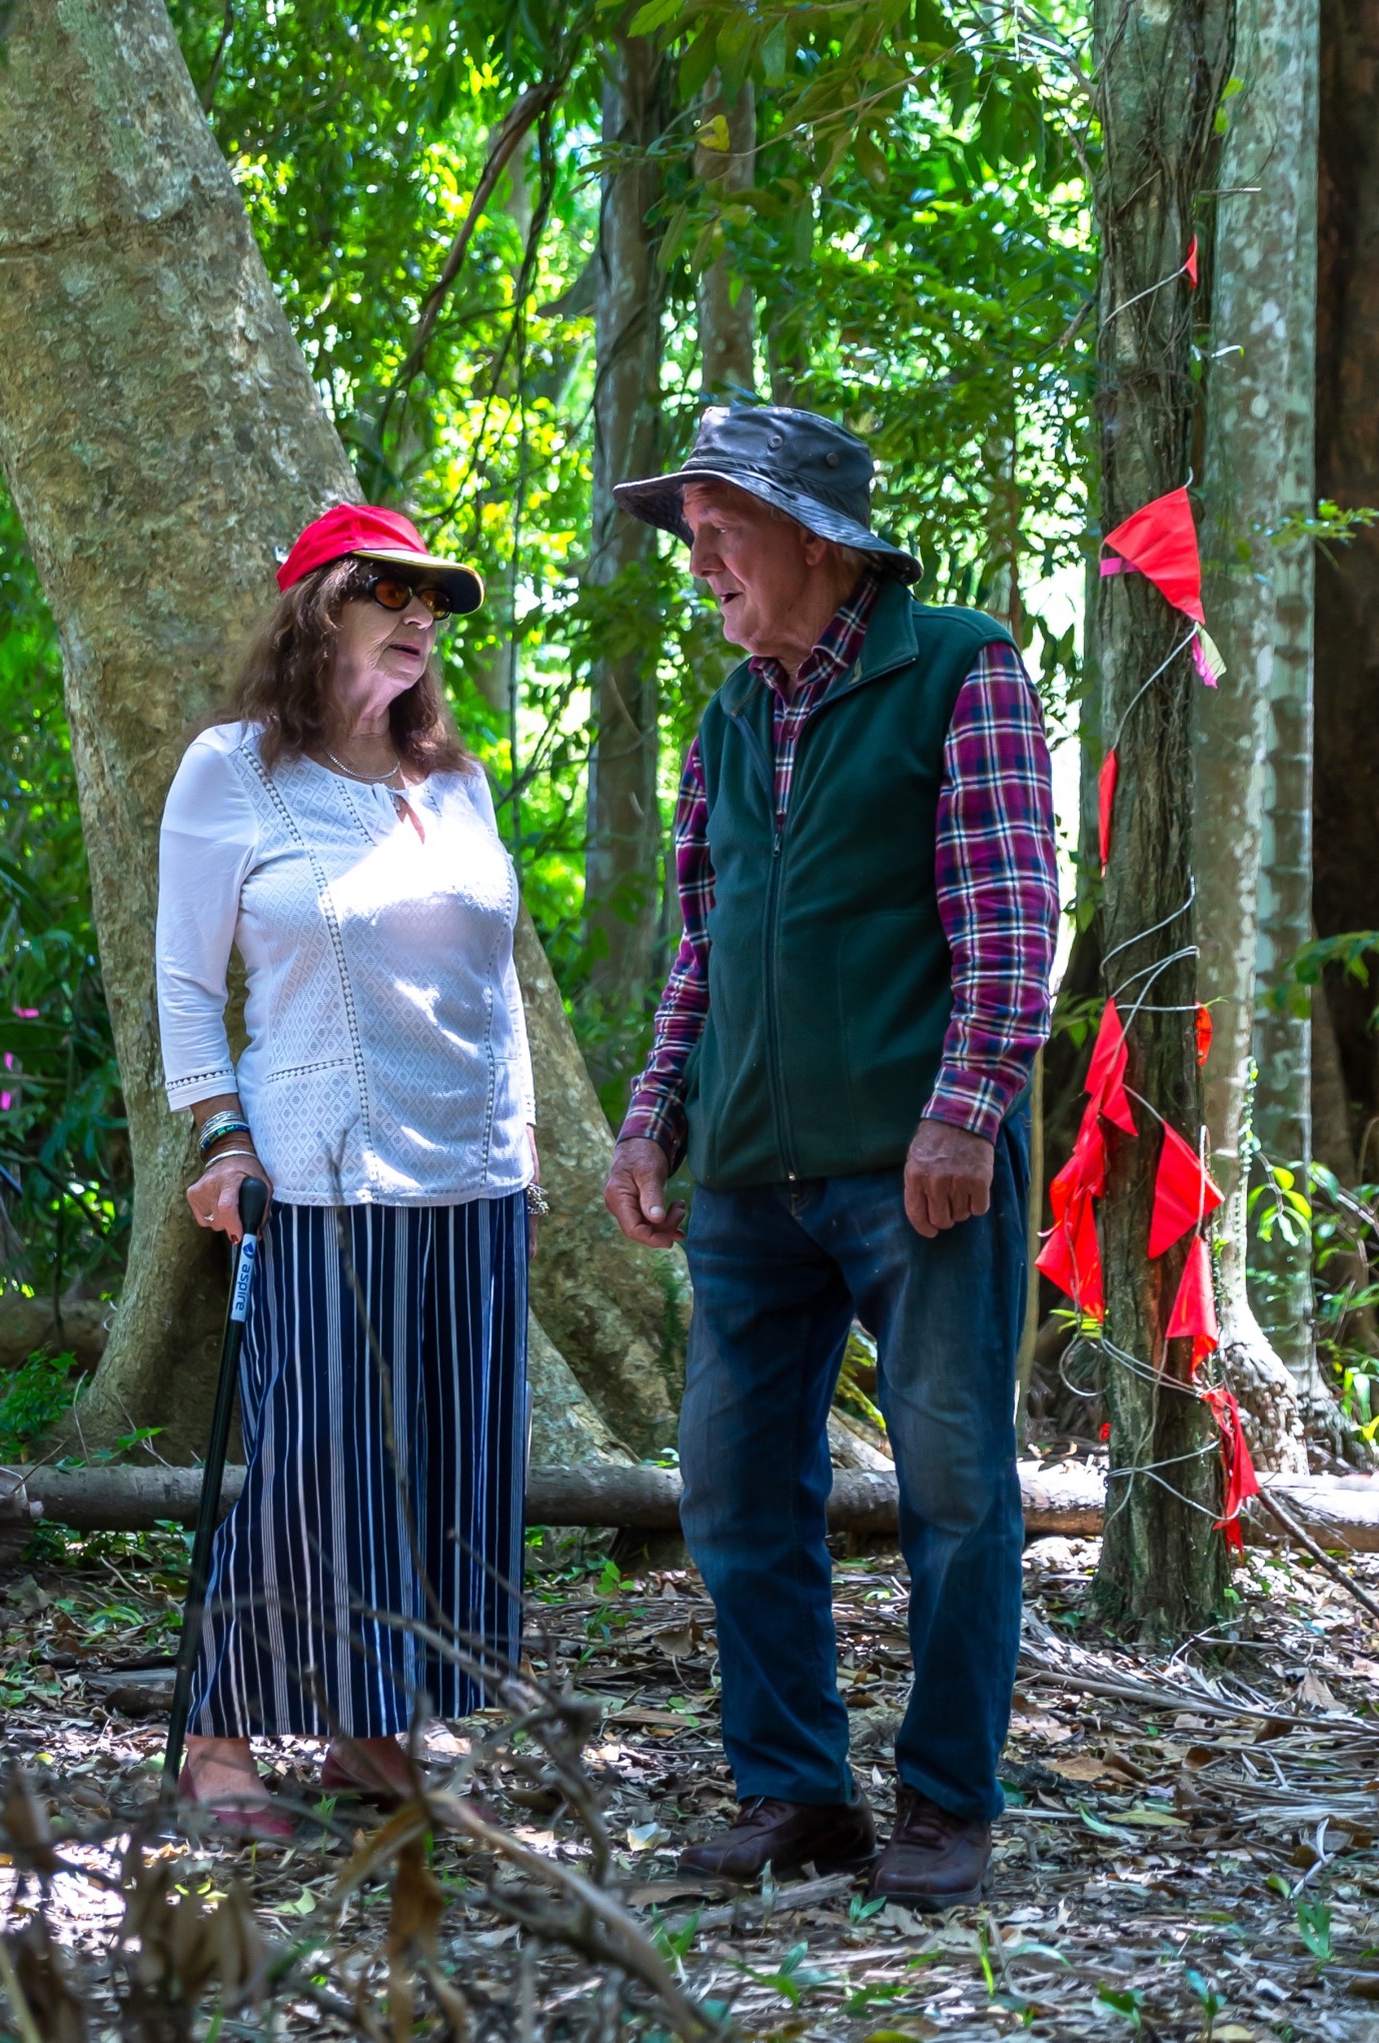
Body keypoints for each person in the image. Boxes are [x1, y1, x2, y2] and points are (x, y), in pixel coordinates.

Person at [604, 406, 1058, 1908]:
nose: (701, 562)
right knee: (733, 1489)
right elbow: (702, 946)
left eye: (719, 527)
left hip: (912, 1164)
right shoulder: (732, 714)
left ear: (817, 536)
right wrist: (654, 1113)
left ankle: (946, 1802)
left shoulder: (958, 666)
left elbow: (1008, 912)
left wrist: (966, 1104)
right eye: (689, 533)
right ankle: (797, 1793)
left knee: (952, 1487)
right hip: (748, 1179)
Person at [156, 503, 540, 1836]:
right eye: (396, 592)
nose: (423, 616)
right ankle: (217, 1736)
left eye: (438, 600)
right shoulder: (233, 772)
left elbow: (494, 988)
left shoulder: (456, 781)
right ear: (322, 606)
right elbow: (187, 989)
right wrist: (220, 1137)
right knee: (316, 1463)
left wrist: (526, 1150)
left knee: (438, 1464)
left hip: (478, 1177)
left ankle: (373, 1731)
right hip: (319, 1172)